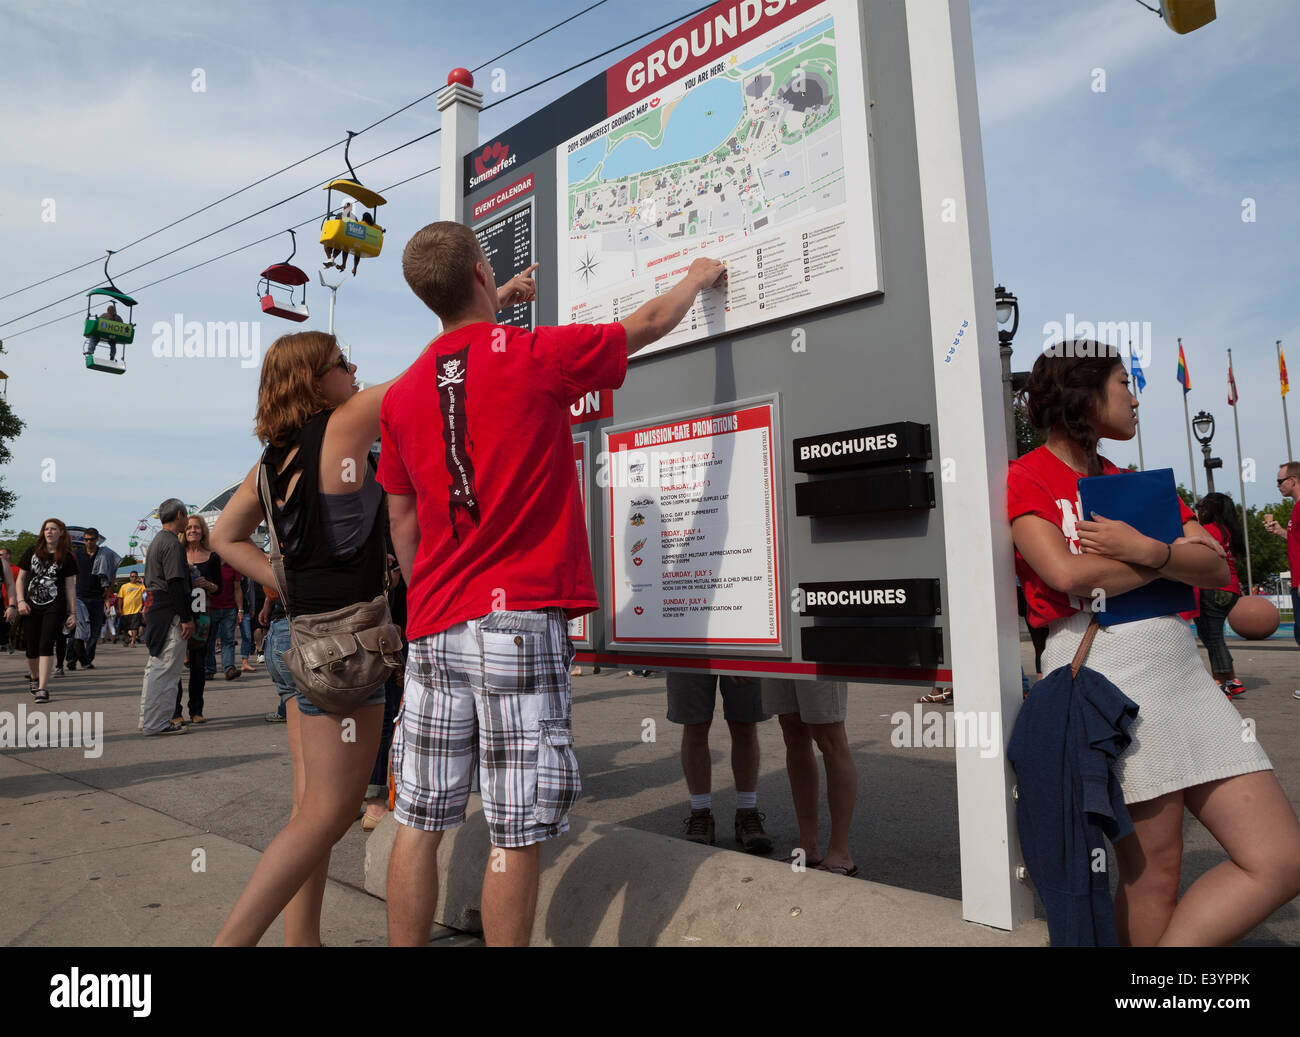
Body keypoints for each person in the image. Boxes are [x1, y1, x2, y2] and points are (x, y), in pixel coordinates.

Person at [380, 220, 724, 947]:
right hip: (519, 621)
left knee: (418, 818)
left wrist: (434, 597)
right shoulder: (536, 354)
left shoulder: (404, 391)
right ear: (481, 270)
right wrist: (697, 274)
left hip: (435, 625)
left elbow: (403, 520)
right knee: (514, 825)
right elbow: (650, 322)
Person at [1008, 343, 1300, 945]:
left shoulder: (1139, 484)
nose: (1135, 398)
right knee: (1155, 877)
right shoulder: (1027, 474)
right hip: (1110, 675)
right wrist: (1176, 562)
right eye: (1123, 383)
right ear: (1085, 396)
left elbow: (1217, 568)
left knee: (1281, 859)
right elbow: (1066, 576)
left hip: (1182, 675)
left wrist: (1144, 551)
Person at [210, 329, 410, 947]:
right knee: (332, 812)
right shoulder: (346, 425)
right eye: (343, 363)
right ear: (315, 379)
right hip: (345, 649)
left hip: (293, 641)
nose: (355, 371)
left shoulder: (270, 461)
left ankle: (304, 941)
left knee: (310, 811)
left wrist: (286, 581)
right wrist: (491, 308)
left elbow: (224, 537)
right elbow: (430, 376)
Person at [760, 678, 858, 875]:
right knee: (791, 729)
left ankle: (840, 853)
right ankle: (808, 846)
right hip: (779, 649)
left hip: (815, 650)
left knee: (829, 736)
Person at [666, 672, 772, 853]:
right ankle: (700, 813)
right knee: (695, 725)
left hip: (742, 646)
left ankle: (746, 812)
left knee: (744, 724)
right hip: (692, 647)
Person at [139, 500, 195, 736]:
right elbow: (174, 583)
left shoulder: (157, 541)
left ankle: (148, 718)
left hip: (156, 606)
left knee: (155, 666)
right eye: (186, 516)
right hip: (169, 610)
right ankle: (157, 722)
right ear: (180, 514)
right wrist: (186, 617)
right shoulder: (172, 544)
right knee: (167, 669)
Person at [16, 521, 80, 702]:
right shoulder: (31, 552)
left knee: (46, 644)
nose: (49, 532)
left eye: (53, 529)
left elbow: (70, 586)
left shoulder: (67, 557)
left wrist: (73, 612)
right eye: (46, 529)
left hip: (55, 606)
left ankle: (43, 688)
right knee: (31, 647)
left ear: (61, 533)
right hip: (30, 605)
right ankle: (34, 677)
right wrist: (20, 601)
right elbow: (20, 579)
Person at [1192, 493, 1245, 696]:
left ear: (1208, 510)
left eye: (1201, 507)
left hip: (1214, 589)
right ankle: (1231, 678)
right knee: (1213, 636)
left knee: (1213, 637)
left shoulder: (1208, 530)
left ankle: (1220, 681)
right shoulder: (1226, 531)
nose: (1198, 511)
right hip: (1229, 588)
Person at [174, 515, 221, 725]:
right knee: (175, 664)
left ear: (203, 531)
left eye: (197, 527)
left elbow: (218, 588)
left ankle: (196, 710)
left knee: (199, 665)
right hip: (178, 614)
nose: (193, 530)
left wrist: (208, 585)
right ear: (183, 531)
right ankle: (175, 711)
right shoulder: (176, 554)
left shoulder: (212, 557)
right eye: (189, 527)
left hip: (202, 615)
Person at [1261, 462, 1299, 650]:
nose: (1277, 485)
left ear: (1292, 481)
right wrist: (1282, 532)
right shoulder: (1296, 508)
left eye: (1280, 481)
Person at [69, 528, 109, 671]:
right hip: (80, 596)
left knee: (95, 631)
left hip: (97, 597)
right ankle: (72, 659)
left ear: (97, 539)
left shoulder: (103, 554)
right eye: (86, 539)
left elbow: (111, 574)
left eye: (91, 539)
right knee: (77, 630)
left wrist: (108, 595)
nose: (88, 542)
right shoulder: (77, 554)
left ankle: (87, 658)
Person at [206, 549, 242, 682]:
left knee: (228, 640)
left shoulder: (233, 566)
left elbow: (237, 589)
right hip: (211, 608)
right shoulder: (209, 565)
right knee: (209, 640)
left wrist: (240, 609)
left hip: (229, 609)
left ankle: (229, 669)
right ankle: (209, 669)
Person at [118, 570, 146, 647]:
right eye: (132, 576)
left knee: (134, 627)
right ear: (130, 577)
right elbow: (120, 598)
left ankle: (132, 642)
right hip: (125, 611)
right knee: (125, 628)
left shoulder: (140, 586)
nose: (134, 578)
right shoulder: (124, 586)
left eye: (135, 576)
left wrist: (142, 581)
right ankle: (127, 639)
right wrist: (119, 609)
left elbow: (148, 589)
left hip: (136, 611)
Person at [1, 546, 19, 652]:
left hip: (10, 602)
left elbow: (15, 585)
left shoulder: (16, 569)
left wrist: (14, 603)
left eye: (1, 554)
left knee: (10, 625)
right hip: (2, 600)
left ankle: (10, 643)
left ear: (8, 555)